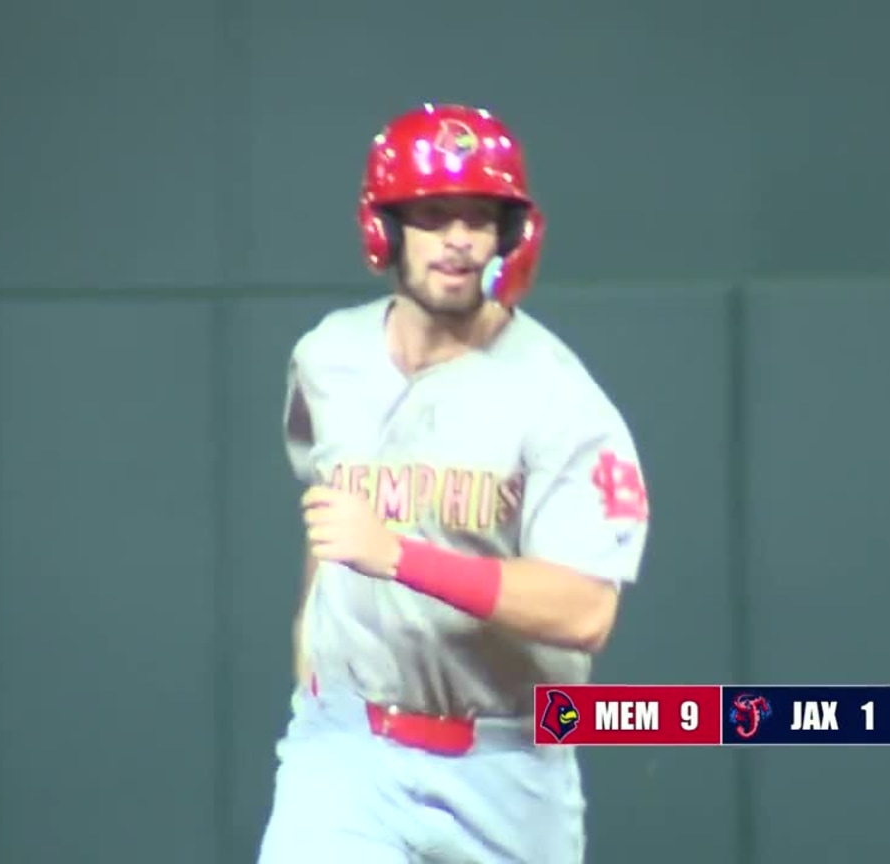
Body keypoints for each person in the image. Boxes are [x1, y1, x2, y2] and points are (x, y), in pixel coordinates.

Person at [256, 103, 651, 863]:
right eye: (435, 216)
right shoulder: (327, 357)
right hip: (347, 751)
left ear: (510, 233)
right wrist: (312, 636)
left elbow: (586, 610)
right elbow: (333, 524)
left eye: (478, 217)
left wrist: (402, 557)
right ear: (386, 229)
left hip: (506, 765)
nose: (459, 240)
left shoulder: (559, 396)